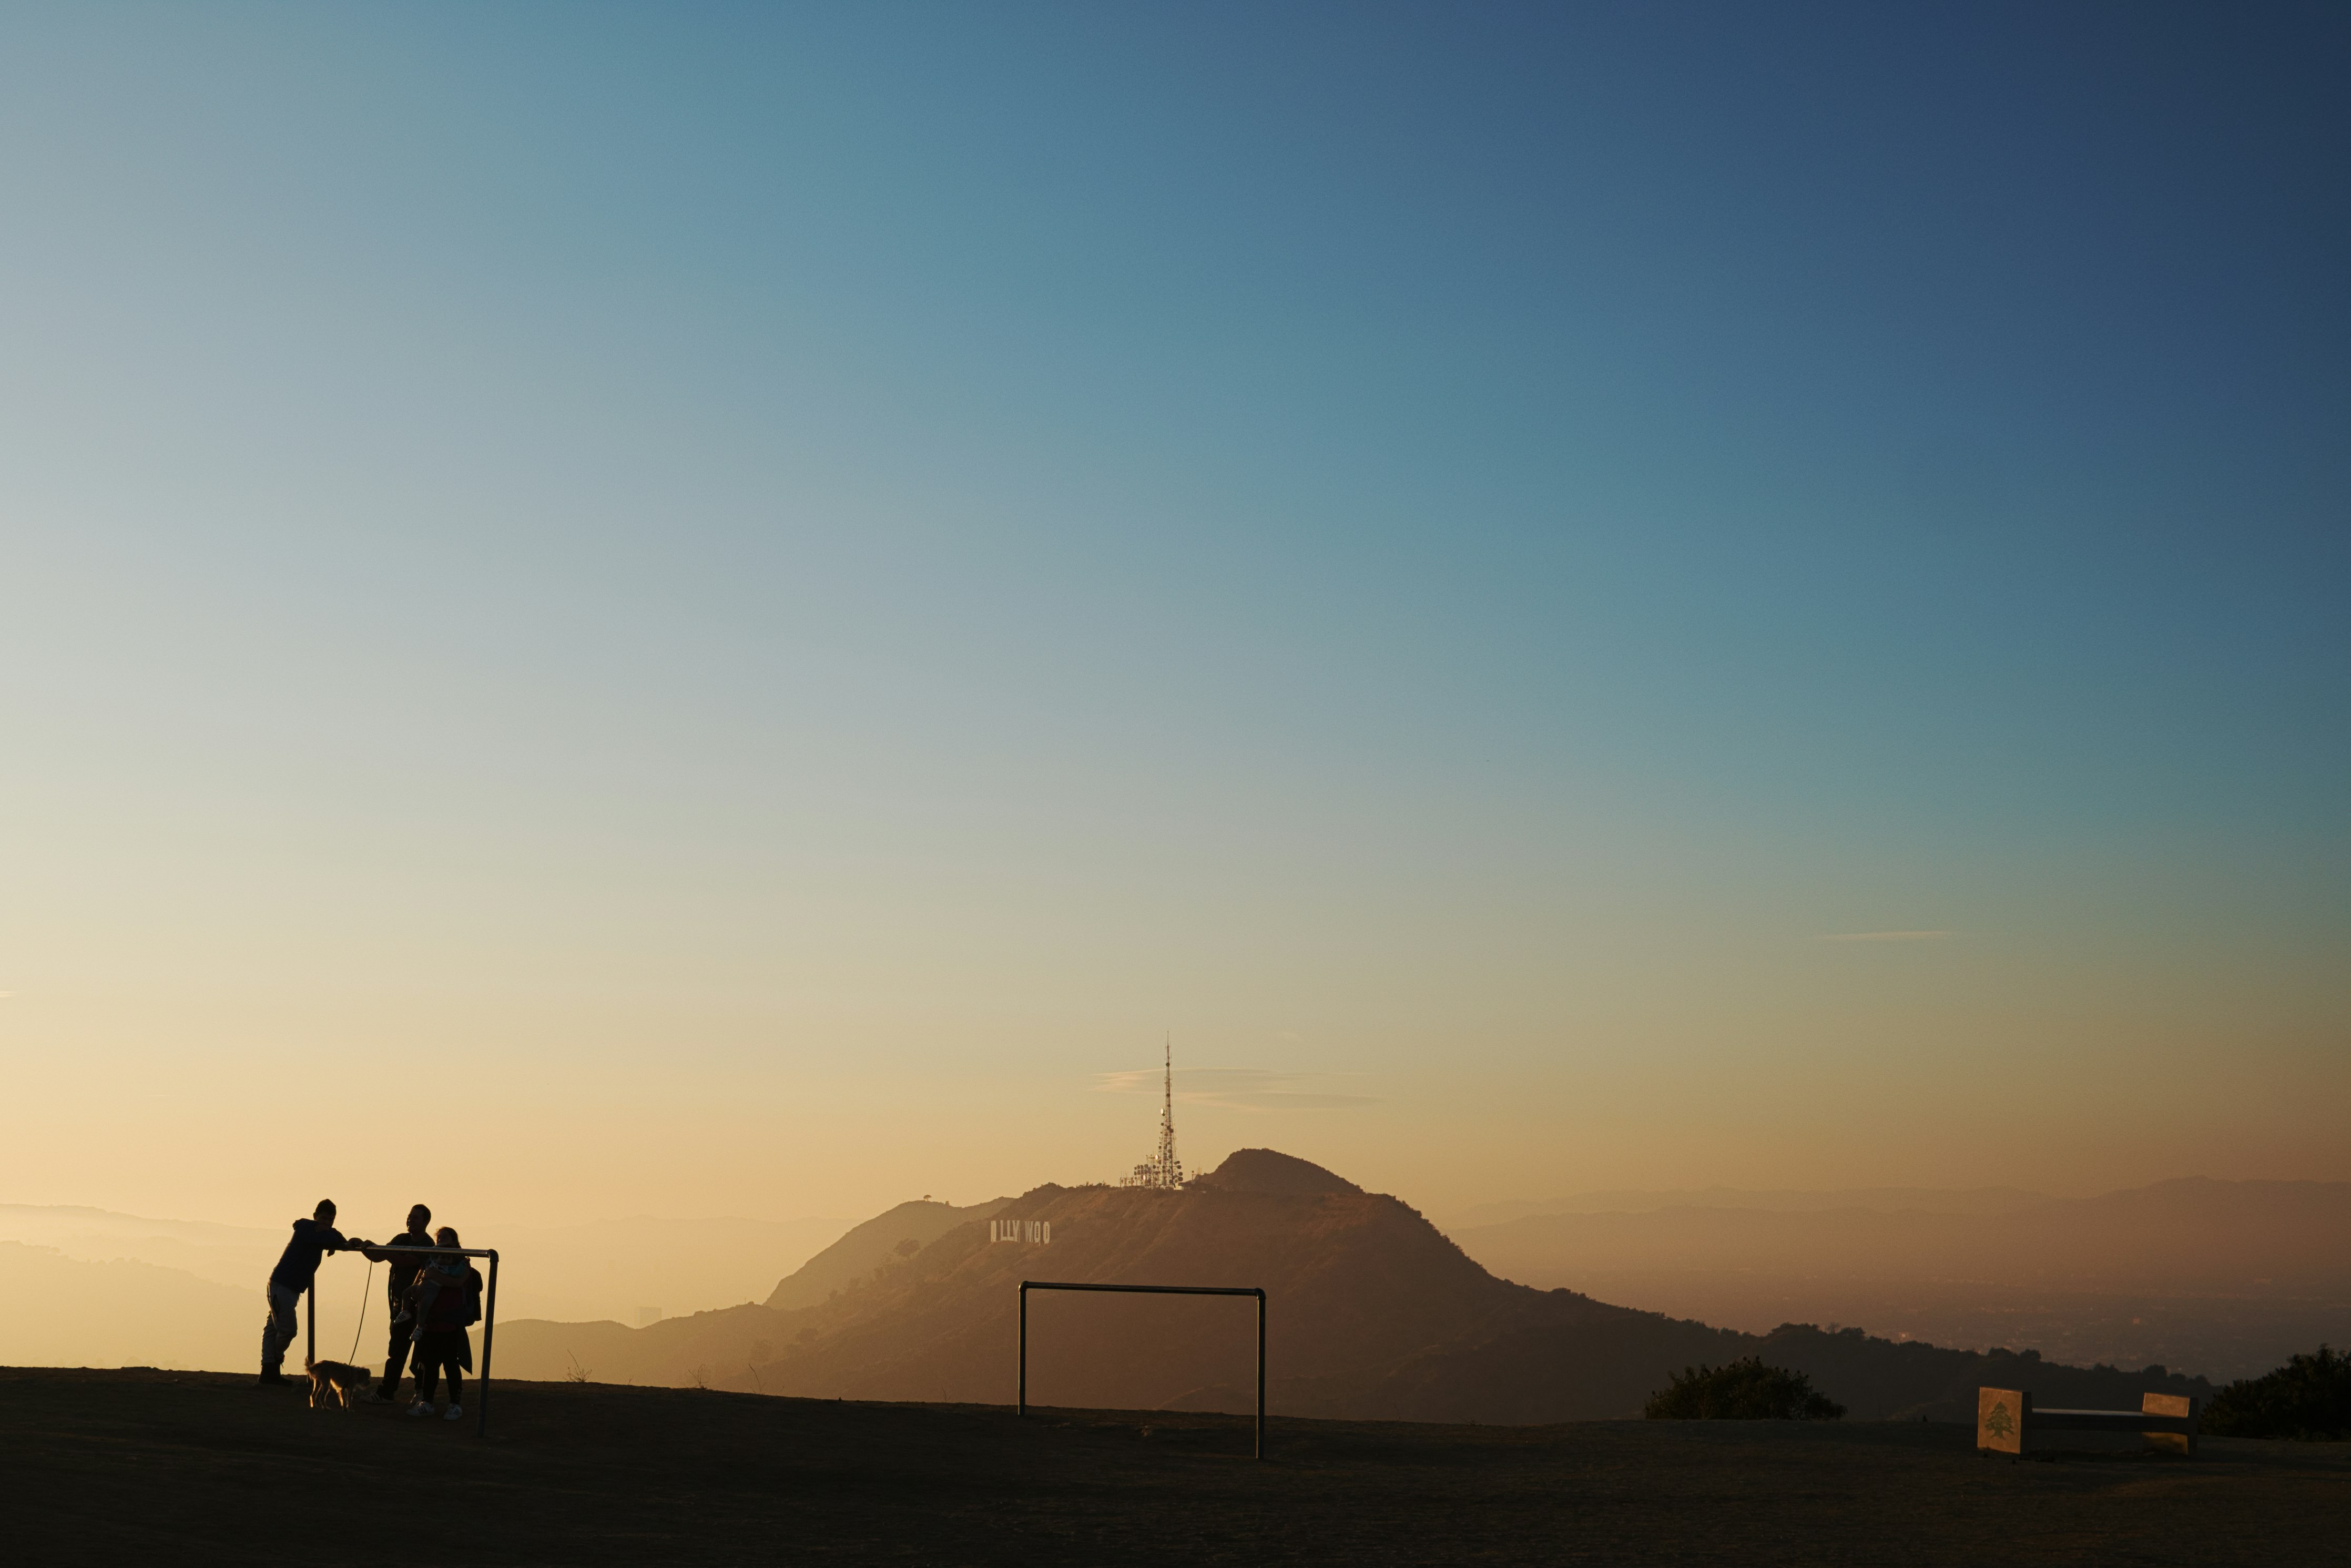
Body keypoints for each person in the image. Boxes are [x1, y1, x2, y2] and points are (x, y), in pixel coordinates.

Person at [259, 1199, 364, 1387]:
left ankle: (269, 1372)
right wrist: (332, 1236)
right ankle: (272, 1363)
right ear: (315, 1216)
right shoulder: (305, 1229)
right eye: (323, 1219)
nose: (326, 1223)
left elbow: (336, 1238)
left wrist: (333, 1235)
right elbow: (331, 1239)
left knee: (274, 1329)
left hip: (289, 1287)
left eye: (330, 1220)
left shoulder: (316, 1232)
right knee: (287, 1330)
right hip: (281, 1286)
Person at [358, 1205, 435, 1402]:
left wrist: (384, 1250)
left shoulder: (427, 1245)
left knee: (421, 1353)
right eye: (410, 1216)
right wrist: (364, 1247)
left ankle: (420, 1392)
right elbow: (378, 1257)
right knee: (397, 1351)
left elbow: (404, 1261)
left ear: (426, 1222)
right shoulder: (401, 1239)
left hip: (420, 1308)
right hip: (399, 1306)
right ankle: (387, 1392)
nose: (410, 1220)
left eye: (415, 1217)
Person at [405, 1226, 482, 1422]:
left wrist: (433, 1276)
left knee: (450, 1364)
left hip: (451, 1321)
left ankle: (455, 1404)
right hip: (430, 1321)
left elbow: (457, 1283)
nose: (441, 1241)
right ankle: (427, 1402)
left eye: (446, 1237)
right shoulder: (431, 1261)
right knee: (430, 1364)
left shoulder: (463, 1263)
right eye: (439, 1238)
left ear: (455, 1242)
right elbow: (419, 1284)